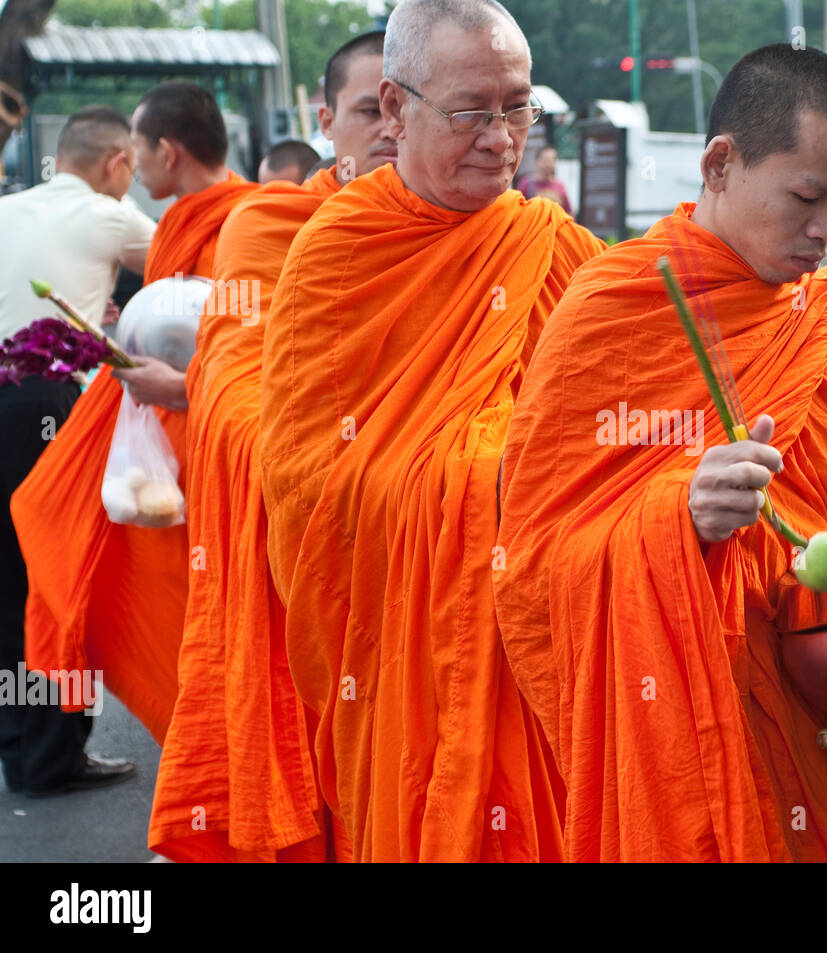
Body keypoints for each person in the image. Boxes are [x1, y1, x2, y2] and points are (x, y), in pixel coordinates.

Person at [494, 44, 827, 862]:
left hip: (813, 758)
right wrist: (676, 517)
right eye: (806, 196)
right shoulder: (613, 310)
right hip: (672, 755)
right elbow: (535, 569)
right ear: (720, 163)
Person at [258, 0, 604, 862]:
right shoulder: (339, 251)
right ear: (396, 107)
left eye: (518, 108)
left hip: (538, 644)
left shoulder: (556, 249)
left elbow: (614, 439)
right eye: (470, 113)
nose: (500, 138)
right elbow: (306, 481)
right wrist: (482, 482)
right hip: (401, 652)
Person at [148, 31, 392, 863]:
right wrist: (353, 471)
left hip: (431, 557)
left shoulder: (502, 240)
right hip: (308, 548)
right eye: (371, 110)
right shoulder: (273, 223)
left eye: (410, 107)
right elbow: (233, 385)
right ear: (328, 120)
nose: (393, 128)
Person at [11, 82, 257, 748]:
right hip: (137, 430)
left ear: (166, 152)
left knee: (207, 619)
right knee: (68, 532)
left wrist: (187, 382)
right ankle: (189, 764)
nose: (138, 169)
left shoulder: (247, 222)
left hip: (211, 439)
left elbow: (258, 346)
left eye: (144, 150)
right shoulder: (176, 220)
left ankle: (51, 751)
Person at [0, 105, 155, 796]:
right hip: (45, 403)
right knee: (60, 573)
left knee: (6, 578)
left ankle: (21, 750)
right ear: (117, 162)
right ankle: (55, 754)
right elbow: (191, 266)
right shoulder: (108, 215)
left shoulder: (8, 209)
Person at [516, 144, 570, 212]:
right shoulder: (526, 184)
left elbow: (568, 212)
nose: (548, 164)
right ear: (537, 161)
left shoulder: (560, 186)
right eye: (545, 160)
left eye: (552, 160)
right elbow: (517, 209)